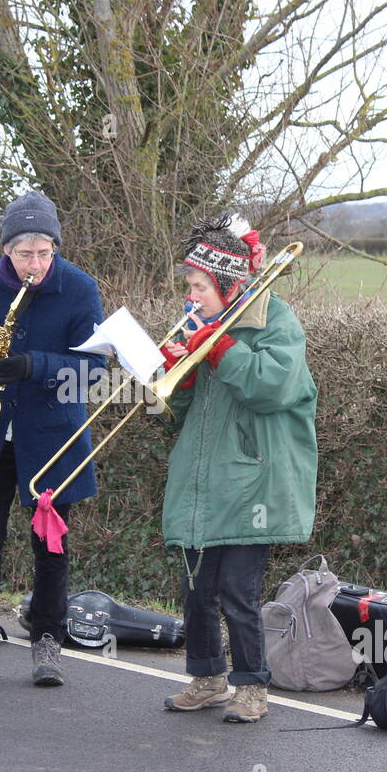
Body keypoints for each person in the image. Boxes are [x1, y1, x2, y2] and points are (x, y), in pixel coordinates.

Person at [0, 191, 106, 686]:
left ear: (55, 248)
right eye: (23, 253)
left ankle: (49, 642)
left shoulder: (79, 288)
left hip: (53, 437)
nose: (34, 263)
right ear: (6, 250)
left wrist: (36, 366)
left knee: (49, 545)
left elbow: (95, 373)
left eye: (43, 252)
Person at [157, 216, 318, 722]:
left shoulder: (276, 321)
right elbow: (185, 416)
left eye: (200, 286)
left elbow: (273, 387)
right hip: (203, 478)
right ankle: (207, 677)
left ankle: (253, 688)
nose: (192, 294)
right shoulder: (202, 325)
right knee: (196, 588)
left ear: (227, 285)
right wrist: (177, 379)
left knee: (238, 592)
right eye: (190, 285)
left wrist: (220, 349)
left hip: (254, 479)